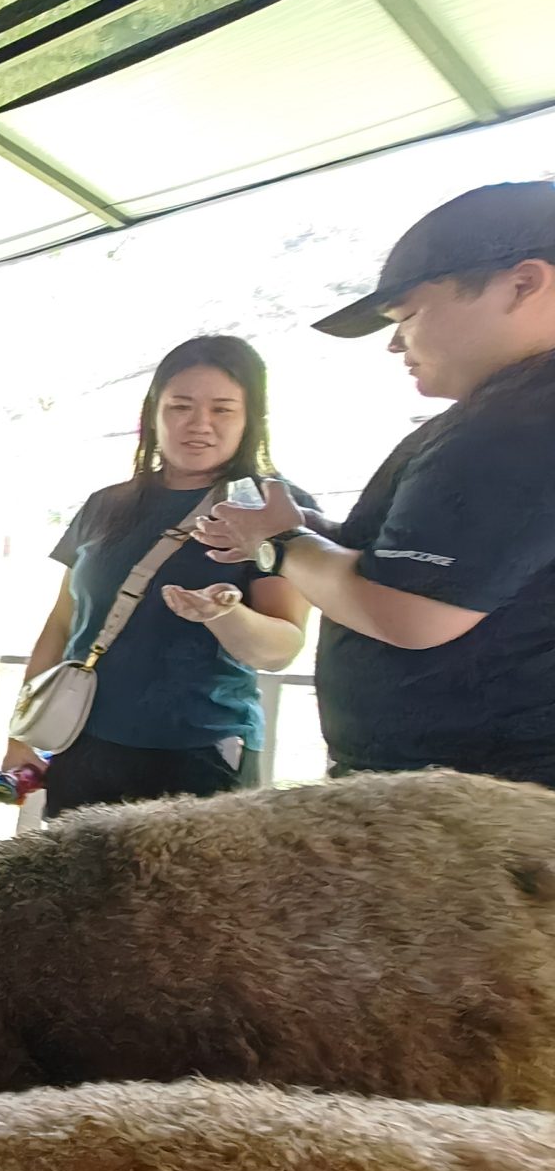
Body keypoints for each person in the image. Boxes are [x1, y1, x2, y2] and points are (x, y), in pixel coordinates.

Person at [196, 181, 555, 787]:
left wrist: (281, 545)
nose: (395, 343)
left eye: (408, 315)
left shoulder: (518, 423)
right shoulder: (503, 411)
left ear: (522, 284)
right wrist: (310, 531)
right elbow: (428, 570)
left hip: (473, 799)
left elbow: (411, 612)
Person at [5, 335, 311, 816]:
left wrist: (223, 614)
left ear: (251, 419)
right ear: (152, 413)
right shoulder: (105, 505)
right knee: (75, 890)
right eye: (180, 407)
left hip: (198, 756)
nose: (199, 425)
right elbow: (63, 624)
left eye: (223, 410)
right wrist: (21, 733)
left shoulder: (273, 506)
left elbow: (281, 647)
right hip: (80, 744)